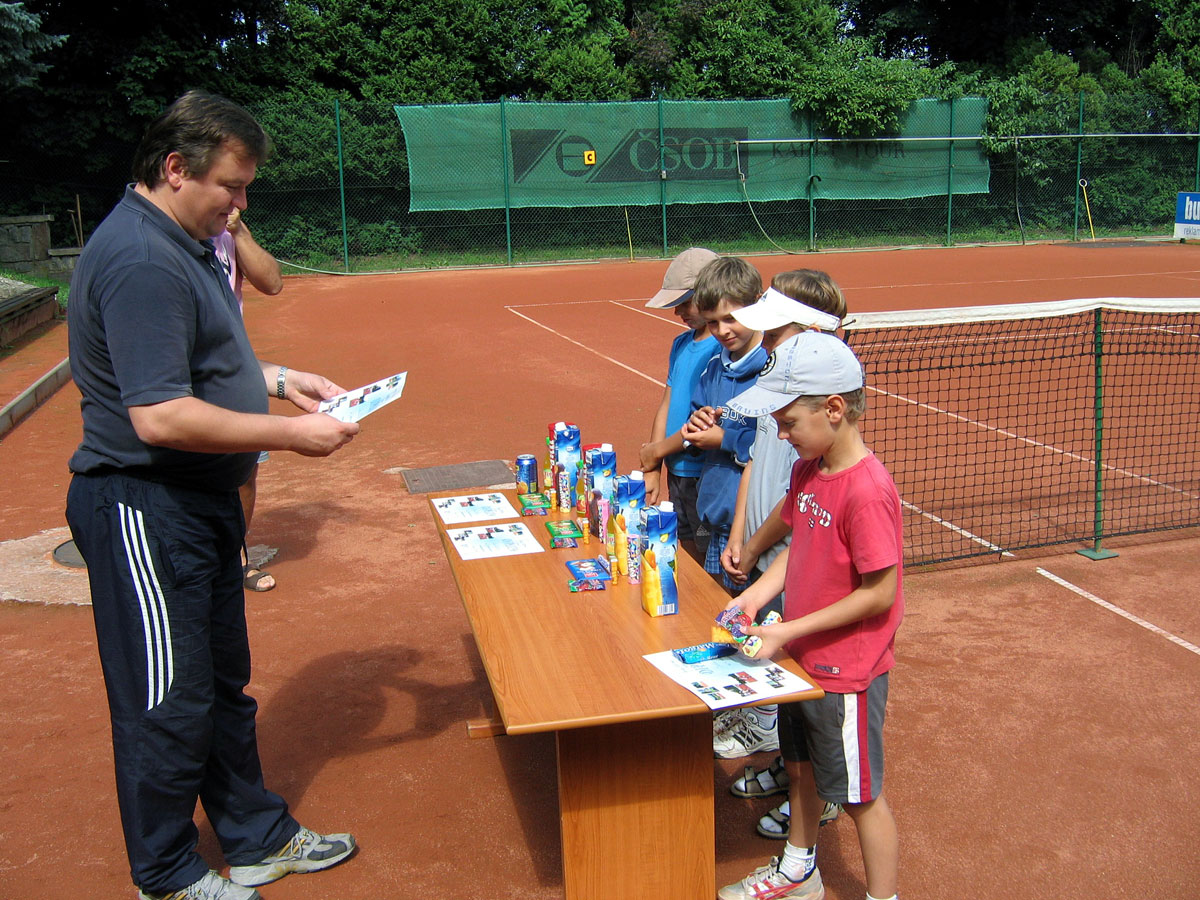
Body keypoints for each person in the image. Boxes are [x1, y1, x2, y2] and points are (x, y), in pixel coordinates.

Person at [65, 90, 360, 900]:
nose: (240, 204)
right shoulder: (141, 258)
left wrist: (281, 379)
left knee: (220, 683)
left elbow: (200, 365)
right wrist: (292, 435)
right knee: (167, 698)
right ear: (174, 168)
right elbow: (157, 414)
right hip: (145, 507)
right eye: (231, 186)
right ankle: (164, 873)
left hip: (195, 508)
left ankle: (257, 836)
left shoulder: (185, 239)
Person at [717, 332, 904, 900]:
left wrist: (787, 630)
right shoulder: (809, 471)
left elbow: (880, 593)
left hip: (846, 672)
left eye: (789, 421)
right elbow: (800, 547)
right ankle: (799, 869)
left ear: (835, 409)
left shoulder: (867, 491)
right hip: (800, 662)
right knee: (798, 768)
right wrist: (755, 597)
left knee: (857, 796)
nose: (780, 432)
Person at [713, 271, 849, 766]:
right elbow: (754, 461)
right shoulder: (775, 387)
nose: (764, 343)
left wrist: (753, 547)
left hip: (789, 559)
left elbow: (798, 506)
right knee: (772, 663)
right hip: (765, 554)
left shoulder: (812, 408)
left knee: (800, 679)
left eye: (773, 334)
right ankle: (779, 761)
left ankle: (817, 796)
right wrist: (740, 538)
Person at [681, 256, 765, 593]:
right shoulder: (715, 364)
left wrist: (724, 440)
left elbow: (776, 447)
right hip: (715, 515)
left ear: (757, 306)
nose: (722, 331)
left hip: (754, 528)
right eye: (713, 323)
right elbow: (697, 411)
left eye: (731, 319)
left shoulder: (770, 371)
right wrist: (696, 424)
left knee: (753, 621)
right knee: (718, 613)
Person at [213, 208, 284, 592]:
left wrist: (238, 230)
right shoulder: (169, 240)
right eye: (230, 186)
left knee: (245, 472)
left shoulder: (228, 232)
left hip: (236, 370)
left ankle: (235, 558)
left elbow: (272, 282)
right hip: (199, 380)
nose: (239, 198)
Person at [637, 247, 719, 564]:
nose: (678, 312)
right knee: (682, 551)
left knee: (706, 560)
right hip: (677, 472)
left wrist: (657, 451)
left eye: (685, 303)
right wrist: (655, 466)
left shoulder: (721, 348)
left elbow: (704, 424)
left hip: (706, 475)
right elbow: (667, 403)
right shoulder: (681, 343)